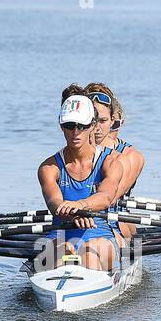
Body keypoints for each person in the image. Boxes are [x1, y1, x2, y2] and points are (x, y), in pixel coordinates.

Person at [35, 86, 127, 273]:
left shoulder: (111, 162)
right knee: (59, 250)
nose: (75, 132)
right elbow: (55, 203)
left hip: (100, 234)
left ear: (92, 126)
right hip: (60, 235)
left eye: (82, 125)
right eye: (69, 125)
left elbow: (106, 197)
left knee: (90, 251)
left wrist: (81, 206)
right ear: (61, 126)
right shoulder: (49, 168)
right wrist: (72, 212)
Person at [82, 82, 145, 242]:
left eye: (103, 121)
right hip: (79, 216)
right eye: (93, 121)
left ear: (113, 121)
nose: (96, 128)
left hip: (114, 219)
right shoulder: (71, 152)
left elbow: (109, 199)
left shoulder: (128, 157)